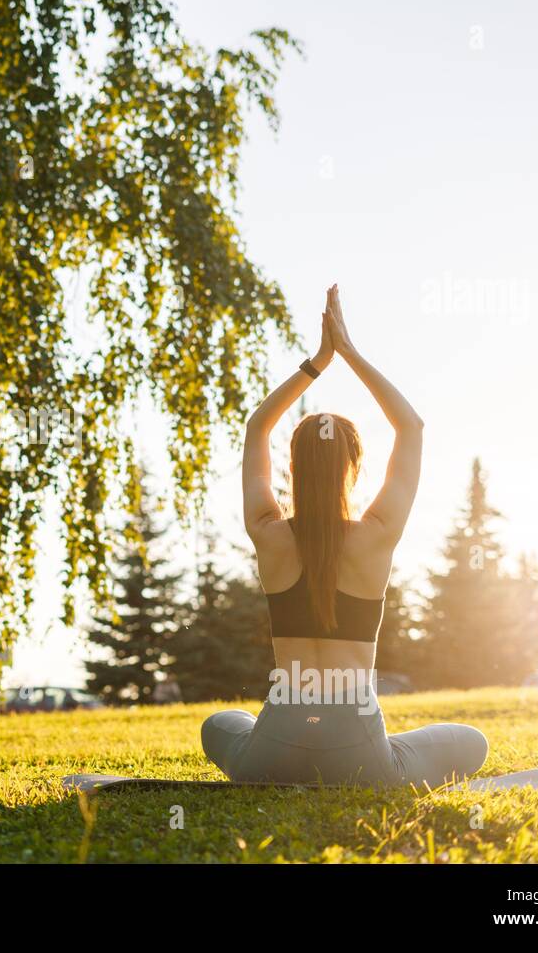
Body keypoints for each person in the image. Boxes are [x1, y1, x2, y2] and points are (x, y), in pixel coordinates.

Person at [201, 285, 488, 788]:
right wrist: (350, 353)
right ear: (353, 469)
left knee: (218, 726)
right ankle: (387, 753)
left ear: (293, 466)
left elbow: (255, 429)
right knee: (471, 742)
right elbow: (411, 428)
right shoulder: (377, 535)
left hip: (269, 756)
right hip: (361, 759)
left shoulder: (267, 532)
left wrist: (317, 363)